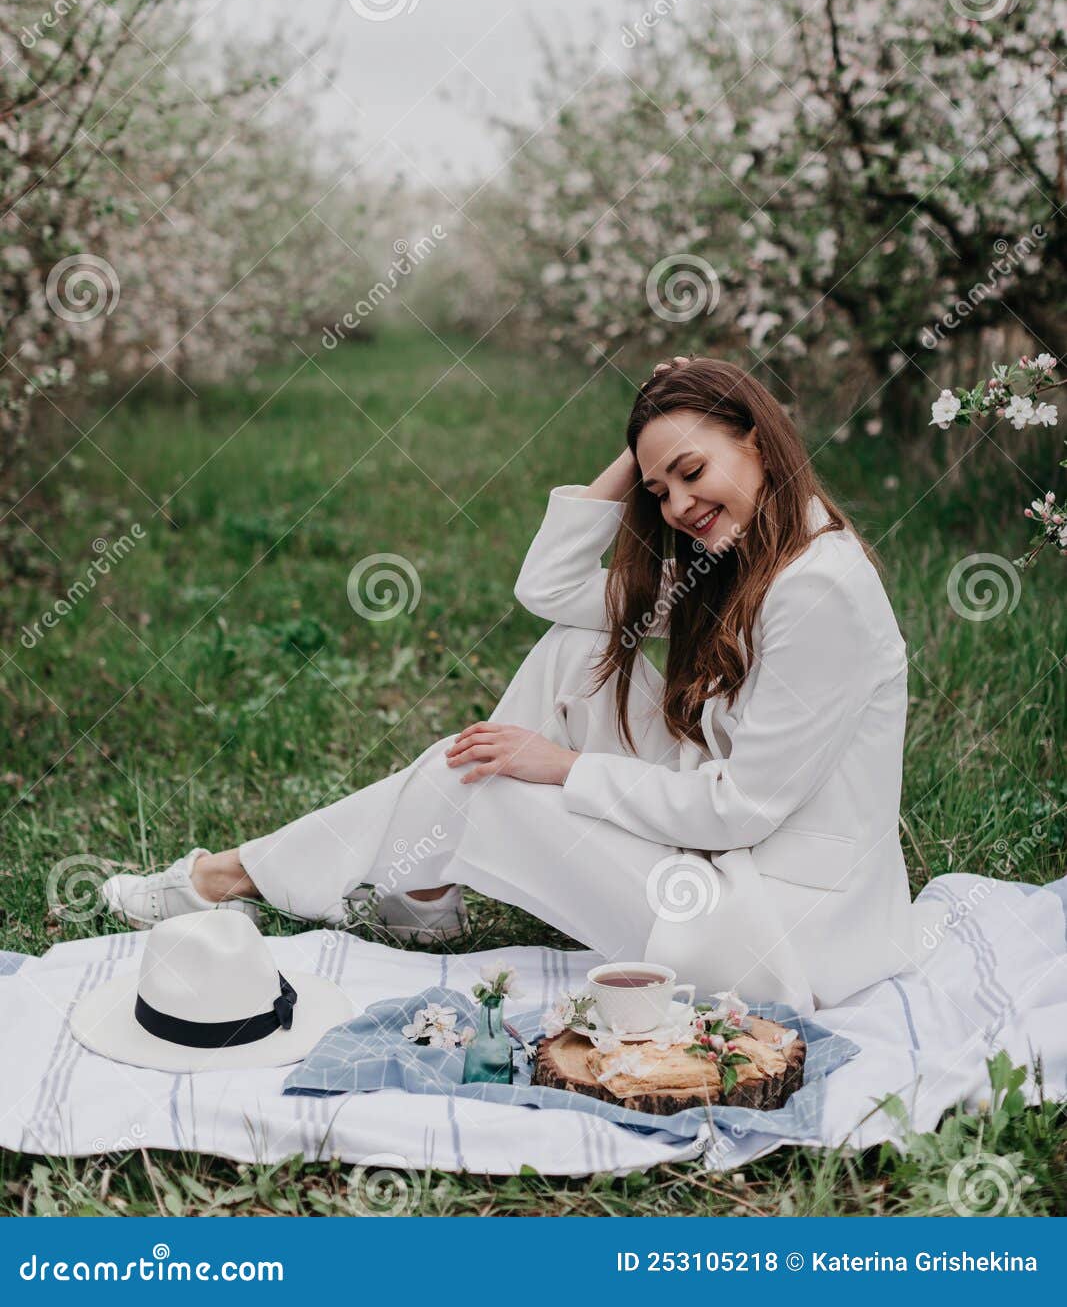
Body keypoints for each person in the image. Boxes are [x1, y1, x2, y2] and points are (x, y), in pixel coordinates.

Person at [100, 357, 926, 1012]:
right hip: (733, 858)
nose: (675, 504)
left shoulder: (814, 589)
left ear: (756, 437)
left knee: (486, 784)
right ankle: (415, 890)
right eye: (657, 490)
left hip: (771, 931)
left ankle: (235, 878)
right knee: (572, 656)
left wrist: (560, 769)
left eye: (689, 469)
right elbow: (550, 590)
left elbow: (740, 809)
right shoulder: (755, 554)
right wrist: (644, 434)